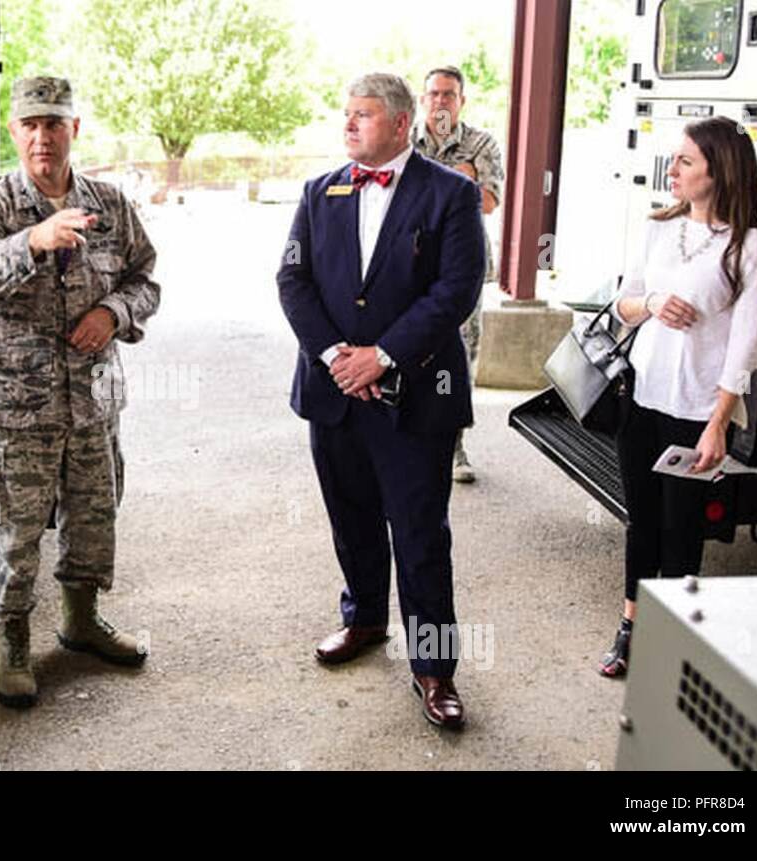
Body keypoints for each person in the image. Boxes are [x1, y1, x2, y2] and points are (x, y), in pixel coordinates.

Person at [0, 76, 161, 709]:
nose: (43, 137)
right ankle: (11, 640)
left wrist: (114, 314)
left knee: (94, 517)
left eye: (54, 124)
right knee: (12, 530)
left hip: (92, 403)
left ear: (74, 129)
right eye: (31, 125)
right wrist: (30, 243)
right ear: (15, 132)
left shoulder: (111, 204)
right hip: (18, 409)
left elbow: (146, 280)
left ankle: (81, 620)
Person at [277, 73, 485, 729]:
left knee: (421, 536)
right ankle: (364, 618)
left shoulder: (451, 193)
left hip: (417, 398)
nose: (349, 124)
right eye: (346, 113)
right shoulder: (320, 192)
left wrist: (384, 354)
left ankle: (435, 668)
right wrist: (337, 356)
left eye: (363, 115)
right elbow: (292, 279)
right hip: (335, 392)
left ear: (399, 124)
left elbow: (457, 288)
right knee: (353, 520)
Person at [598, 116, 757, 677]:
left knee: (683, 528)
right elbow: (623, 305)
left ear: (718, 172)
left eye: (685, 162)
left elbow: (745, 347)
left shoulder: (752, 246)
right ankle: (631, 625)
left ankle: (673, 638)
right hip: (641, 398)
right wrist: (652, 304)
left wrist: (719, 423)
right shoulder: (658, 227)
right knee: (642, 521)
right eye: (674, 159)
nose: (671, 170)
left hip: (698, 410)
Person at [412, 66, 505, 484]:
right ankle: (407, 438)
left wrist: (430, 185)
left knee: (459, 356)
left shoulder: (482, 143)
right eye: (433, 94)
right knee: (407, 347)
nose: (440, 101)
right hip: (410, 263)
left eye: (449, 94)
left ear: (461, 101)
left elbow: (487, 201)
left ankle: (453, 446)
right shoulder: (403, 141)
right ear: (422, 99)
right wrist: (460, 177)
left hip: (461, 266)